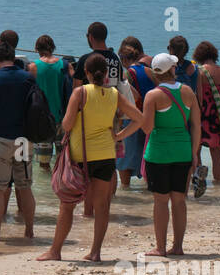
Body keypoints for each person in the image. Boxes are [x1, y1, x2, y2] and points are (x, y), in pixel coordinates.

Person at [37, 53, 145, 262]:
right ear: (106, 73)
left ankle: (55, 251)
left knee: (67, 205)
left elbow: (67, 125)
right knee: (101, 205)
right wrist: (119, 135)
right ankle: (95, 252)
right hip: (105, 155)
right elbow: (139, 119)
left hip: (80, 157)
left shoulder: (80, 93)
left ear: (86, 73)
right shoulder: (114, 94)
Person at [140, 53, 202, 256]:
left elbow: (147, 128)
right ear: (173, 69)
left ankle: (160, 247)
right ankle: (178, 246)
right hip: (183, 151)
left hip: (159, 153)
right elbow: (196, 127)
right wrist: (194, 153)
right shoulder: (188, 92)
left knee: (160, 201)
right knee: (179, 200)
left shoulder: (152, 95)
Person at [0, 40, 36, 240]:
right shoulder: (28, 79)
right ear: (13, 58)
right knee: (25, 186)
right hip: (23, 138)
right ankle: (29, 231)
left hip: (1, 138)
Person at [192, 41, 220, 185]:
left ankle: (199, 181)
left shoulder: (200, 71)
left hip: (202, 117)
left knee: (196, 152)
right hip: (217, 117)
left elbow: (200, 98)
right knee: (216, 154)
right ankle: (219, 185)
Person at [28, 34, 70, 170]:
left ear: (36, 49)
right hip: (62, 117)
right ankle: (59, 186)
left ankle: (46, 188)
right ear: (53, 48)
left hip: (42, 119)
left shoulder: (33, 67)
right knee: (62, 159)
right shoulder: (65, 65)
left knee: (43, 161)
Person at [117, 39, 151, 188]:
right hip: (148, 118)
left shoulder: (128, 73)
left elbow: (134, 95)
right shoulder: (149, 70)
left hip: (132, 118)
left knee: (123, 160)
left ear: (124, 59)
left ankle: (125, 189)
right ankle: (148, 189)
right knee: (145, 156)